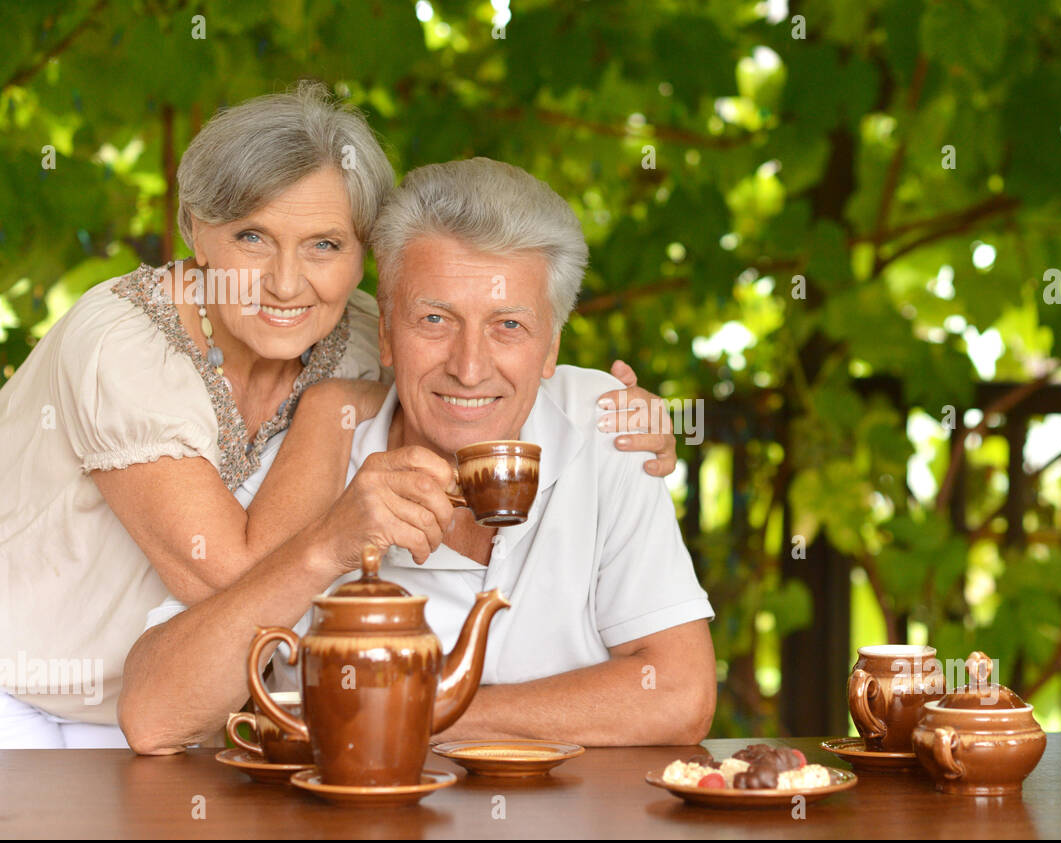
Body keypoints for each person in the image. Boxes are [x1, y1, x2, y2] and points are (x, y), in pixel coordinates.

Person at [0, 84, 676, 748]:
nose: (287, 282)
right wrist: (332, 417)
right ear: (196, 232)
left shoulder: (353, 335)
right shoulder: (122, 346)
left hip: (171, 724)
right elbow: (237, 586)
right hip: (22, 691)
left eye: (325, 244)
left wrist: (613, 413)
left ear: (363, 258)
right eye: (253, 237)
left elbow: (484, 357)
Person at [119, 158, 716, 752]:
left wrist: (405, 711)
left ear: (550, 347)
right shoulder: (318, 453)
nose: (469, 367)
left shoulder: (610, 424)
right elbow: (154, 718)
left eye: (508, 325)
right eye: (434, 319)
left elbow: (679, 696)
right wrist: (325, 545)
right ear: (384, 333)